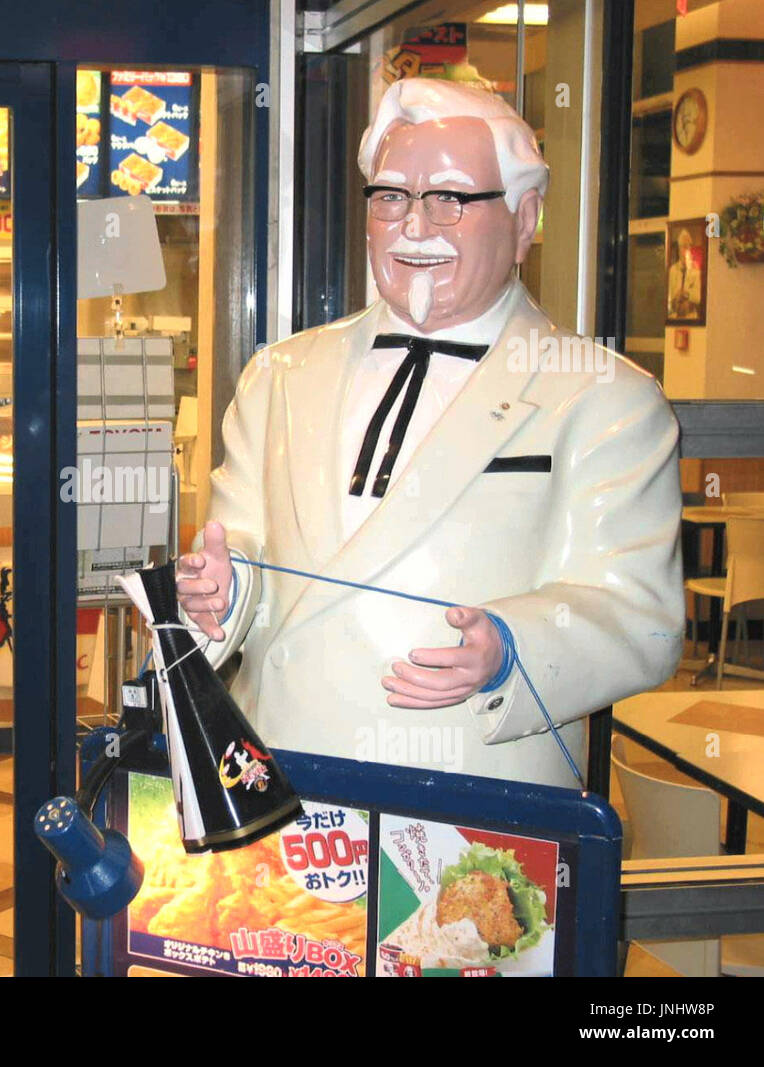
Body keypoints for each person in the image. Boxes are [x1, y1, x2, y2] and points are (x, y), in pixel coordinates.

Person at [176, 78, 684, 788]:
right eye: (390, 197)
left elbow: (643, 618)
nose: (414, 226)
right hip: (283, 779)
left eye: (449, 198)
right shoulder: (280, 372)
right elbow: (248, 546)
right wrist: (225, 593)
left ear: (525, 217)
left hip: (473, 796)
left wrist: (512, 647)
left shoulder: (605, 397)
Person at [667, 228, 702, 321]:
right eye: (683, 246)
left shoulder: (696, 270)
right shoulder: (672, 270)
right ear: (679, 249)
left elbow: (699, 297)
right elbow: (670, 295)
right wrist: (677, 295)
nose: (686, 250)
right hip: (675, 317)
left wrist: (686, 293)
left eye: (688, 247)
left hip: (691, 317)